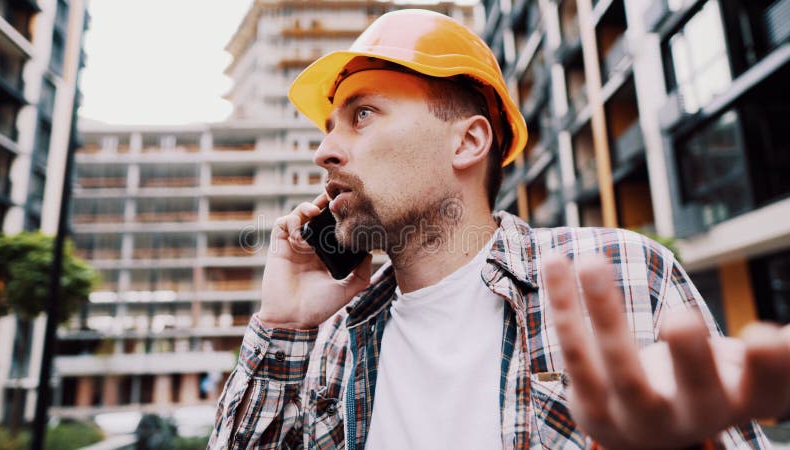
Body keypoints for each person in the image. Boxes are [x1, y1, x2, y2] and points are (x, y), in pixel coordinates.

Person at [208, 9, 790, 450]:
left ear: (468, 141)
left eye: (362, 115)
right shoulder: (330, 339)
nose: (325, 151)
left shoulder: (620, 275)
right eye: (329, 127)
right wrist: (282, 327)